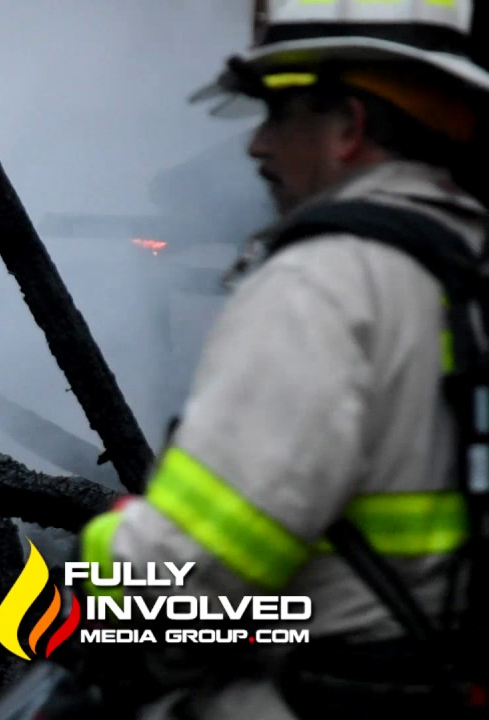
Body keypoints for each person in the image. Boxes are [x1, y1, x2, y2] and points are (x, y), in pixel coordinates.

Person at [70, 2, 488, 719]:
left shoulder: (320, 282)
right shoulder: (468, 264)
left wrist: (107, 555)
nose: (256, 146)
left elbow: (192, 575)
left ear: (349, 125)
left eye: (278, 114)